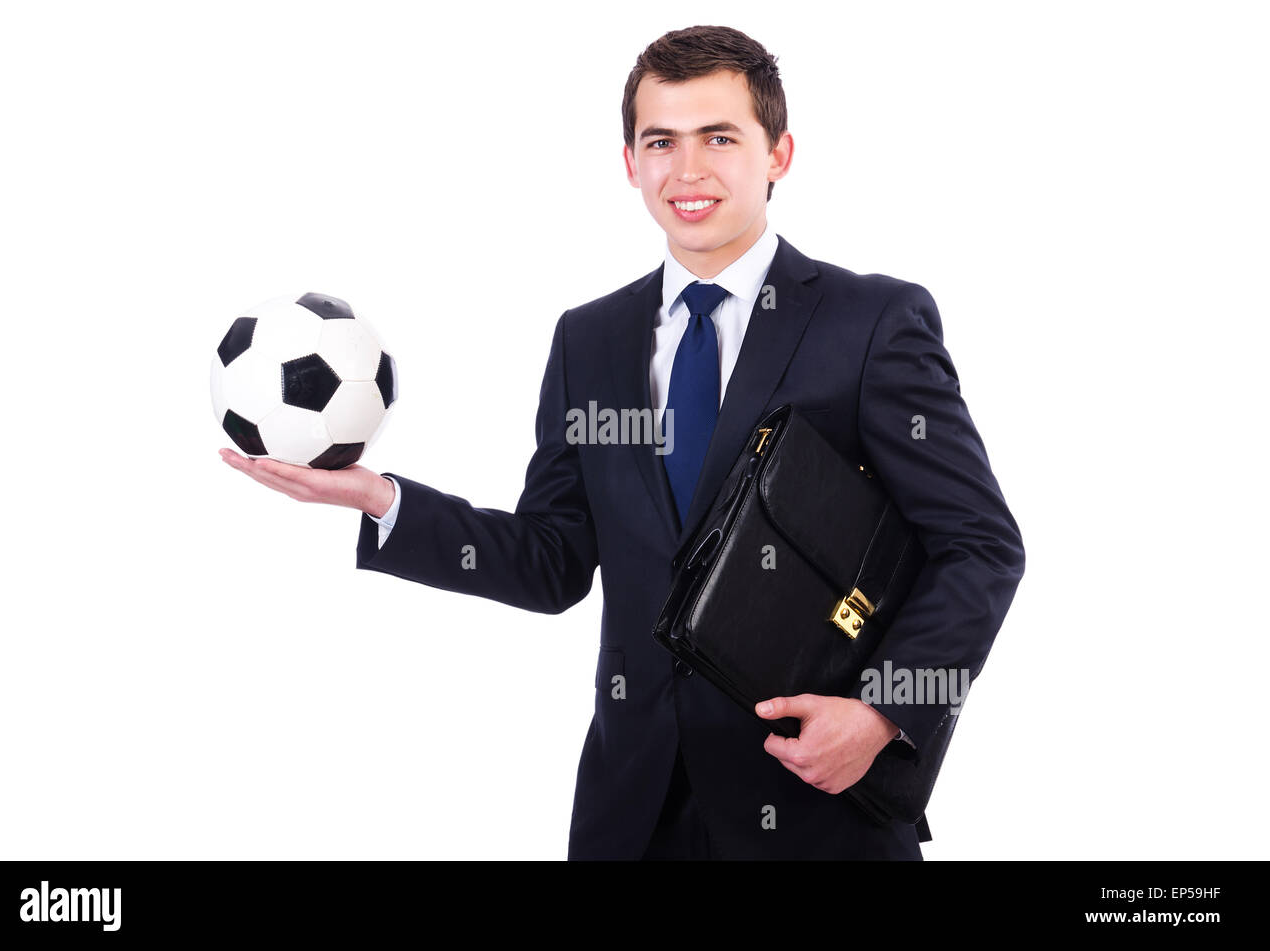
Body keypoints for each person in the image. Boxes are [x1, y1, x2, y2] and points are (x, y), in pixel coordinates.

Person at [220, 24, 1025, 860]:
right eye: (660, 141)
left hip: (813, 805)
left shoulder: (871, 324)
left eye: (720, 137)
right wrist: (385, 500)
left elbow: (981, 546)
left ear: (779, 153)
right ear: (629, 162)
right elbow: (554, 559)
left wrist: (883, 713)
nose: (688, 170)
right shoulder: (589, 340)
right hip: (633, 813)